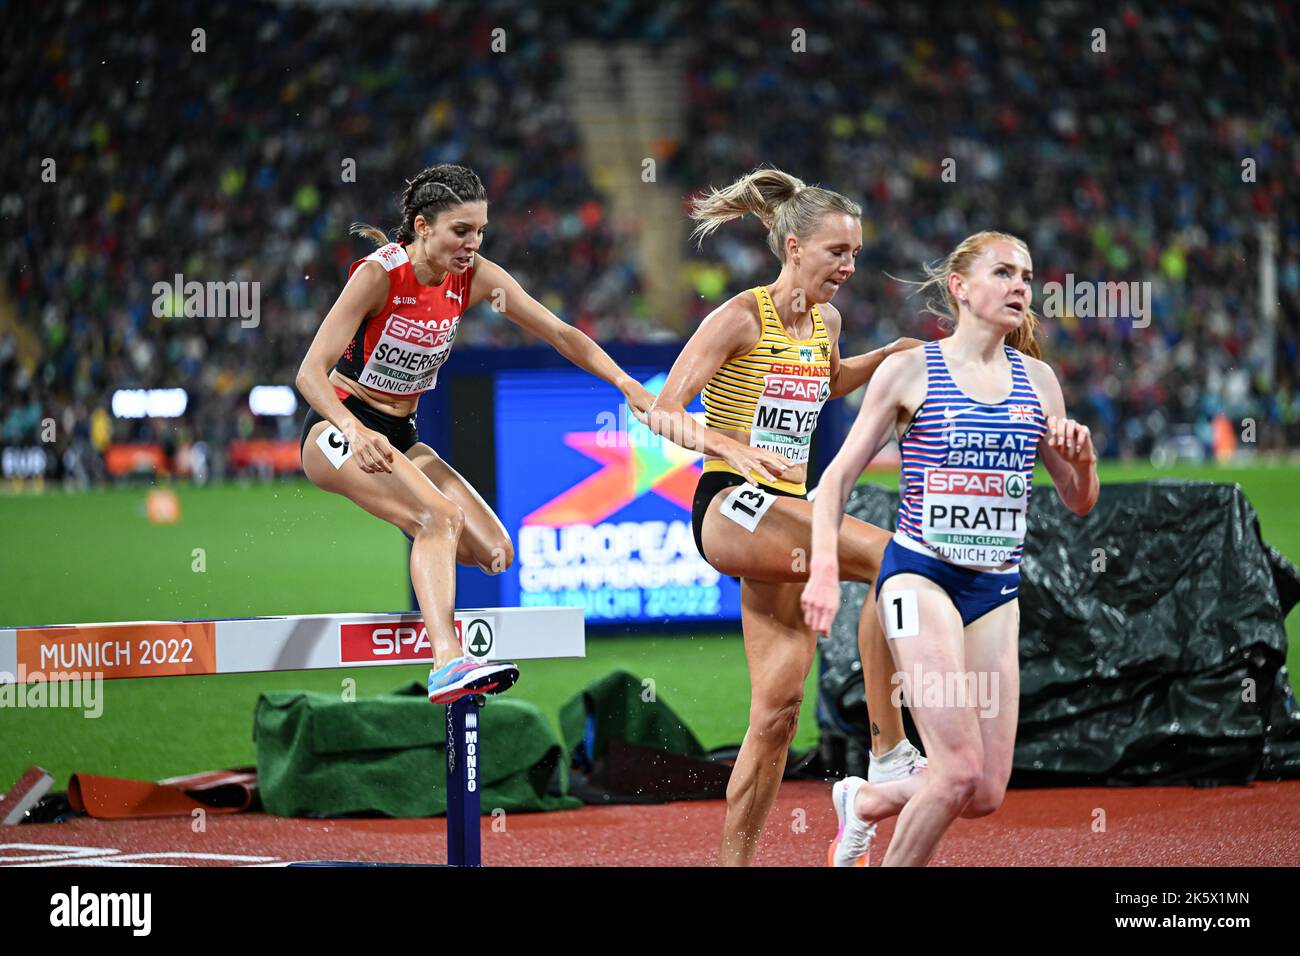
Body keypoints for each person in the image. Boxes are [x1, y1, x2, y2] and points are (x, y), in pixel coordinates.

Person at [642, 167, 926, 867]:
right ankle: (888, 752)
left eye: (855, 252)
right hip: (731, 505)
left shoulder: (825, 321)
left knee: (774, 717)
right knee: (896, 560)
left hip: (784, 517)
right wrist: (729, 444)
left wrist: (885, 358)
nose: (850, 266)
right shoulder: (739, 315)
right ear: (793, 247)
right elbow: (659, 410)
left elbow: (826, 382)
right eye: (838, 252)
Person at [296, 164, 653, 705]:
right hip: (336, 426)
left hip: (398, 433)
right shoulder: (378, 276)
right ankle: (446, 662)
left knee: (493, 552)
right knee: (439, 516)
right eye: (461, 231)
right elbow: (309, 374)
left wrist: (626, 383)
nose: (473, 243)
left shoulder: (477, 279)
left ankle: (418, 529)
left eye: (480, 231)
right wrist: (351, 428)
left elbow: (558, 332)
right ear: (422, 227)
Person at [801, 230, 1099, 866]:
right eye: (1003, 272)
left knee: (985, 790)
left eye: (1025, 273)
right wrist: (824, 570)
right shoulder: (910, 370)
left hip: (995, 588)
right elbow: (834, 482)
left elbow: (1078, 500)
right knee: (957, 770)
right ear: (960, 288)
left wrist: (1085, 465)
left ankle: (866, 802)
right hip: (920, 578)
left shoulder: (1039, 382)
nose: (1020, 285)